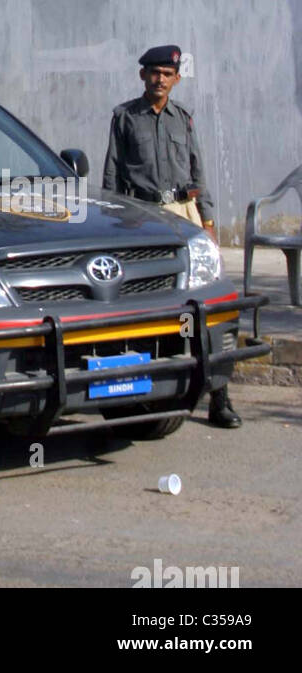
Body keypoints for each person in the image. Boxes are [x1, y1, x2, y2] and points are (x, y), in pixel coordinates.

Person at [102, 44, 241, 428]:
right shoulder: (124, 117)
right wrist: (113, 223)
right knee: (150, 303)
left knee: (206, 304)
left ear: (176, 79)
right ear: (142, 75)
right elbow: (111, 177)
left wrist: (208, 224)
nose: (160, 80)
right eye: (154, 73)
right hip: (142, 217)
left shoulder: (184, 118)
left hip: (185, 214)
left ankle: (220, 399)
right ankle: (140, 390)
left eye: (167, 74)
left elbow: (199, 174)